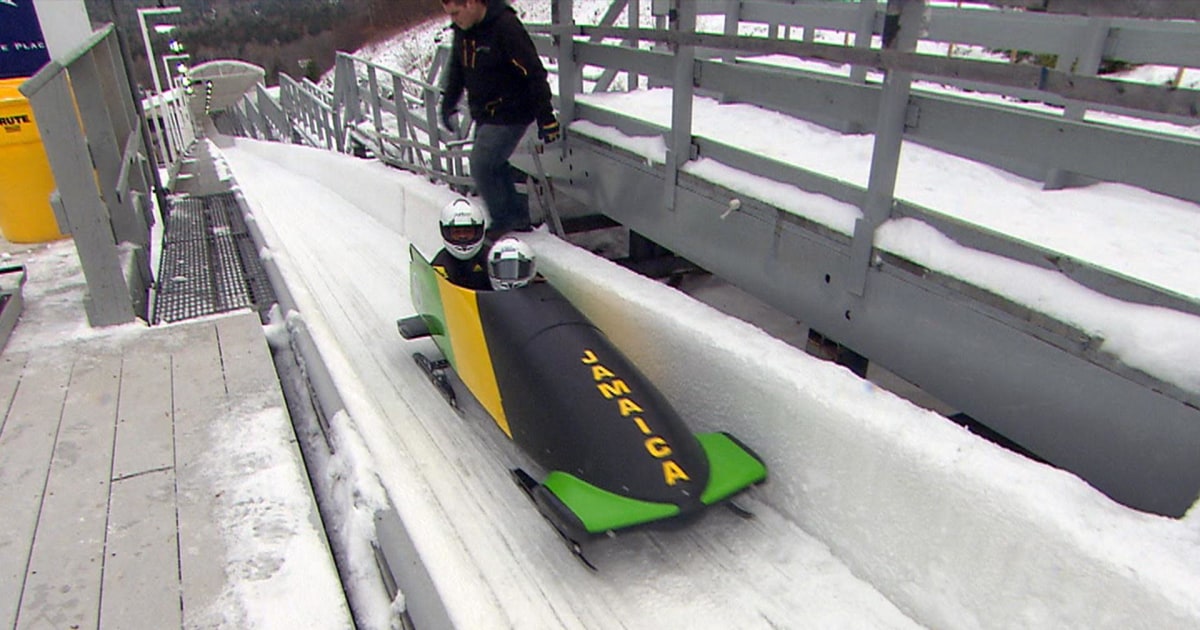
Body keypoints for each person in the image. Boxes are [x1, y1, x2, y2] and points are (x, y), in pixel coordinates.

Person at [438, 0, 560, 240]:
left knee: (482, 164)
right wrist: (448, 104)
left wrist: (546, 117)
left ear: (471, 3)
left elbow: (533, 71)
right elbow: (457, 71)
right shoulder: (464, 31)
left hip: (512, 112)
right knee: (495, 166)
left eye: (456, 12)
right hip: (485, 114)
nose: (454, 19)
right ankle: (517, 219)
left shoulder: (505, 26)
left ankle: (505, 222)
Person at [432, 197, 491, 291]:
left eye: (467, 232)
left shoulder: (491, 259)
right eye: (457, 233)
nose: (462, 237)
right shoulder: (440, 265)